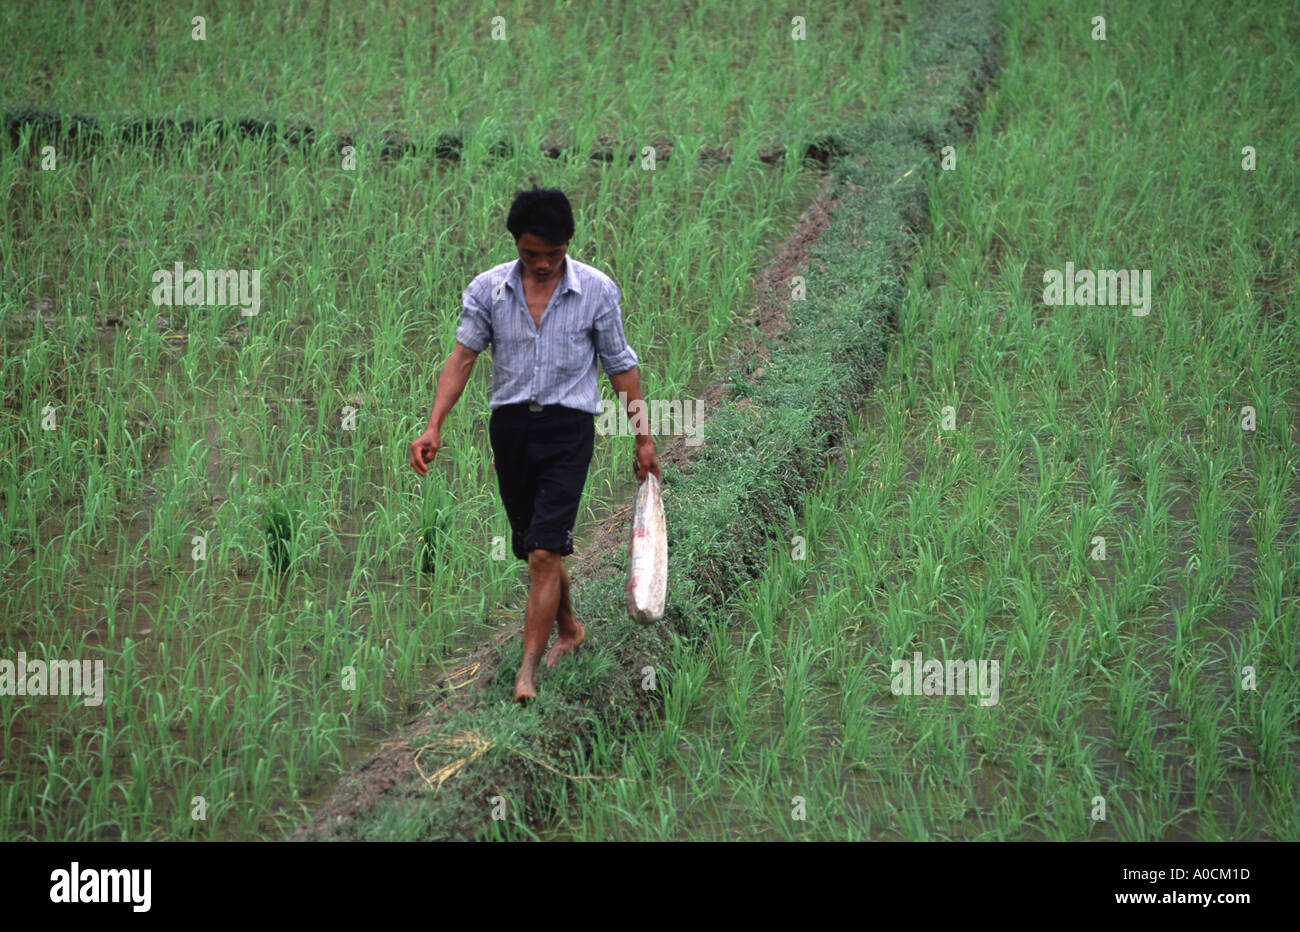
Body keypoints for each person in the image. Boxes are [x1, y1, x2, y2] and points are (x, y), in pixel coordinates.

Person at [409, 186, 660, 703]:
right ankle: (569, 628)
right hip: (511, 430)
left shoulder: (596, 290)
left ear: (568, 244)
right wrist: (434, 425)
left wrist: (644, 439)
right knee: (535, 550)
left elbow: (622, 368)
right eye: (531, 254)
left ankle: (527, 673)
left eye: (554, 254)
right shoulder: (488, 290)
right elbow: (461, 359)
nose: (543, 264)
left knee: (545, 551)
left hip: (569, 431)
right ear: (515, 246)